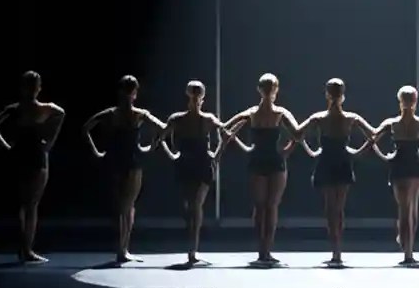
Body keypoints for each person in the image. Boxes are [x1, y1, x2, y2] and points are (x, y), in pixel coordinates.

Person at [291, 78, 380, 267]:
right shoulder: (350, 118)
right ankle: (337, 252)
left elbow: (297, 133)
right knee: (338, 209)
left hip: (326, 161)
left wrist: (310, 150)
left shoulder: (319, 118)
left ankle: (335, 252)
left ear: (326, 94)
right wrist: (358, 152)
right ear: (343, 96)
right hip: (342, 161)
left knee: (330, 209)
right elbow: (374, 134)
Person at [82, 75, 167, 264]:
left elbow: (163, 128)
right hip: (125, 161)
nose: (129, 96)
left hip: (123, 159)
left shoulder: (120, 114)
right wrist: (151, 146)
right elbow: (163, 128)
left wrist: (151, 146)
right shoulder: (130, 114)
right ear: (132, 93)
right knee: (125, 206)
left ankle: (124, 249)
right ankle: (122, 250)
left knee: (127, 206)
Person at [222, 73, 302, 266]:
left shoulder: (254, 113)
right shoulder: (278, 113)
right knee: (269, 206)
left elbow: (225, 131)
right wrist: (287, 151)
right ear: (275, 90)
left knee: (262, 207)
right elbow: (298, 134)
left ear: (260, 89)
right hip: (271, 160)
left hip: (262, 159)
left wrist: (246, 148)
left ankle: (263, 251)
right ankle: (265, 251)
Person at [158, 80, 238, 266]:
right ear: (190, 96)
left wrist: (216, 155)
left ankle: (192, 251)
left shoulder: (206, 119)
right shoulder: (178, 118)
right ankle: (192, 249)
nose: (195, 99)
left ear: (201, 97)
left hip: (201, 163)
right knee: (191, 207)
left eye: (197, 95)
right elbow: (161, 137)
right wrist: (173, 155)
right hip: (187, 163)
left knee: (195, 206)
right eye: (193, 95)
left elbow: (225, 133)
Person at [0, 71, 64, 263]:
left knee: (25, 205)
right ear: (36, 88)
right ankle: (26, 249)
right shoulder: (37, 109)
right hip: (34, 157)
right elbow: (61, 113)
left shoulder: (18, 108)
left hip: (24, 155)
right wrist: (50, 140)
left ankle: (24, 248)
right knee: (30, 206)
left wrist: (7, 147)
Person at [372, 85, 419, 266]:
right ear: (415, 101)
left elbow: (372, 139)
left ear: (400, 101)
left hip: (402, 165)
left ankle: (407, 248)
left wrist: (385, 156)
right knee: (411, 209)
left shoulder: (393, 123)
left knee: (405, 209)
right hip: (412, 165)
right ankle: (408, 249)